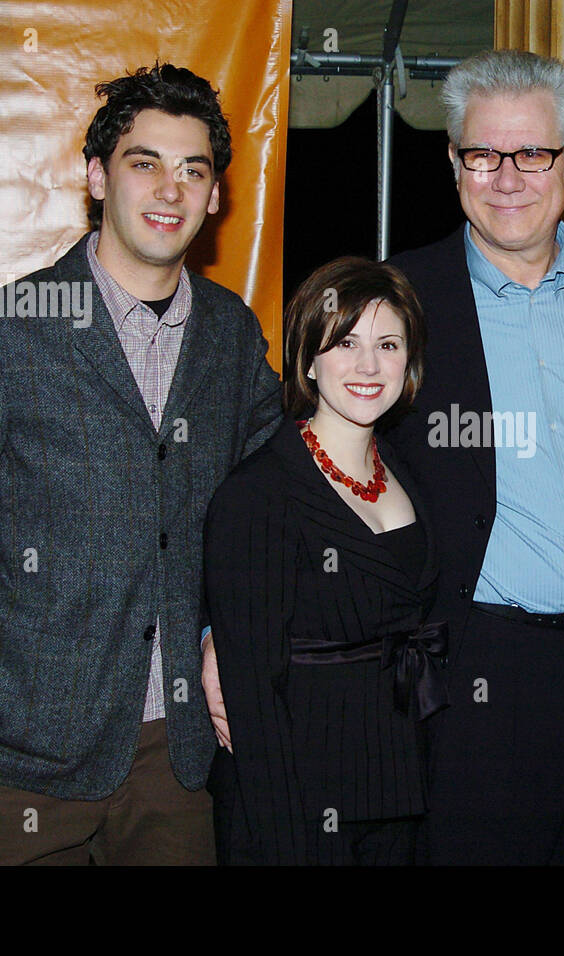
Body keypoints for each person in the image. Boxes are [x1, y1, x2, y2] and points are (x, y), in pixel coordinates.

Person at [0, 63, 283, 865]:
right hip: (10, 766)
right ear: (97, 177)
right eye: (145, 163)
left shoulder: (231, 336)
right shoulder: (3, 332)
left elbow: (279, 491)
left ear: (216, 196)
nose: (171, 188)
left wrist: (227, 636)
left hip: (177, 764)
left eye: (193, 170)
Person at [386, 49, 564, 864]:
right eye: (483, 153)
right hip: (476, 676)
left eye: (532, 153)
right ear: (454, 164)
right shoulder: (397, 299)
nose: (507, 177)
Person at [202, 257, 442, 865]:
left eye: (388, 344)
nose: (368, 366)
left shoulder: (408, 474)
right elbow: (251, 703)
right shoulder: (258, 495)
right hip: (300, 808)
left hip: (399, 793)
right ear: (308, 357)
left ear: (408, 362)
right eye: (345, 343)